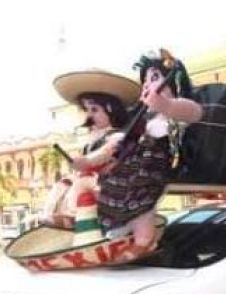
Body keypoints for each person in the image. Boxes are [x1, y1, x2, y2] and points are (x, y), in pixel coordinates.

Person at [97, 49, 203, 259]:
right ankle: (111, 224)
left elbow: (191, 111)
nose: (147, 85)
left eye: (154, 78)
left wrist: (165, 105)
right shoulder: (142, 121)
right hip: (133, 166)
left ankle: (144, 240)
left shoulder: (177, 110)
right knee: (110, 181)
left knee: (142, 189)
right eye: (145, 81)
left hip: (160, 166)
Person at [43, 70, 140, 228]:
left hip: (112, 181)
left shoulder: (116, 136)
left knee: (82, 184)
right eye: (87, 110)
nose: (89, 115)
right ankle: (50, 213)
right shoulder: (92, 137)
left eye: (94, 109)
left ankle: (75, 217)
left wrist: (86, 161)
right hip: (93, 177)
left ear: (110, 109)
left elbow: (104, 153)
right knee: (62, 184)